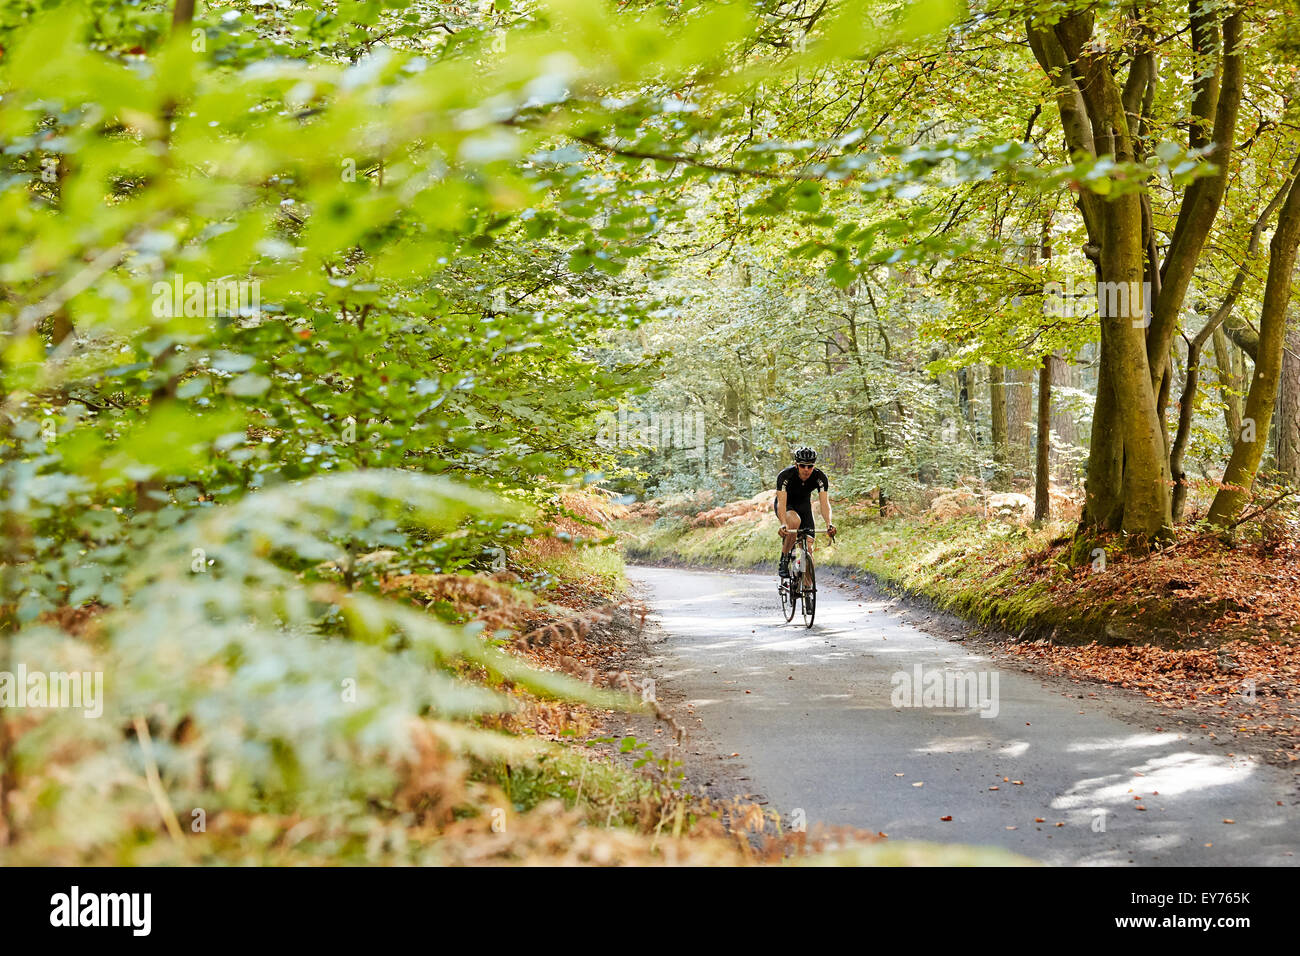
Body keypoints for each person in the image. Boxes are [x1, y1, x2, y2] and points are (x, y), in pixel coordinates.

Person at [774, 447, 835, 578]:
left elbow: (825, 504)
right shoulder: (785, 476)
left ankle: (805, 588)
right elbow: (781, 503)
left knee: (807, 548)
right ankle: (784, 559)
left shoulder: (819, 477)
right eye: (802, 466)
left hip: (804, 507)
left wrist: (829, 523)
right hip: (787, 505)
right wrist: (783, 524)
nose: (806, 469)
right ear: (796, 465)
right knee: (794, 522)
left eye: (810, 466)